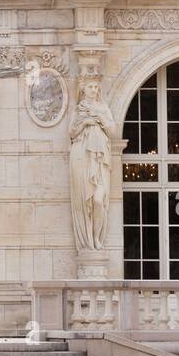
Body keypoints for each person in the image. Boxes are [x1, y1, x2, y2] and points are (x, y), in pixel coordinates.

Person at [69, 78, 112, 251]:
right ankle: (88, 239)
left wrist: (100, 118)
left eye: (96, 87)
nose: (94, 90)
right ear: (83, 89)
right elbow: (71, 132)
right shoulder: (78, 110)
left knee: (98, 200)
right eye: (90, 87)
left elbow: (113, 130)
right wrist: (84, 122)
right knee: (85, 201)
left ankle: (96, 237)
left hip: (100, 159)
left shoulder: (103, 108)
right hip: (82, 156)